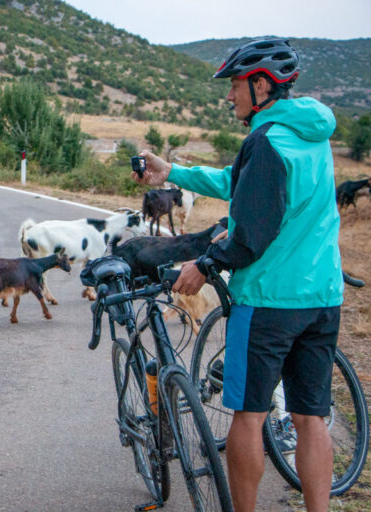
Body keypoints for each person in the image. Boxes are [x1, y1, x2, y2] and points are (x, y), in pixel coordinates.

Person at [132, 39, 343, 512]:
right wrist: (175, 173)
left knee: (248, 416)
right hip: (323, 298)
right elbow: (243, 184)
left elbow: (250, 236)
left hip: (269, 302)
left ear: (262, 85)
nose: (230, 97)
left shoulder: (264, 141)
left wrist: (204, 266)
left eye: (235, 85)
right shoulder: (309, 134)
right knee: (312, 419)